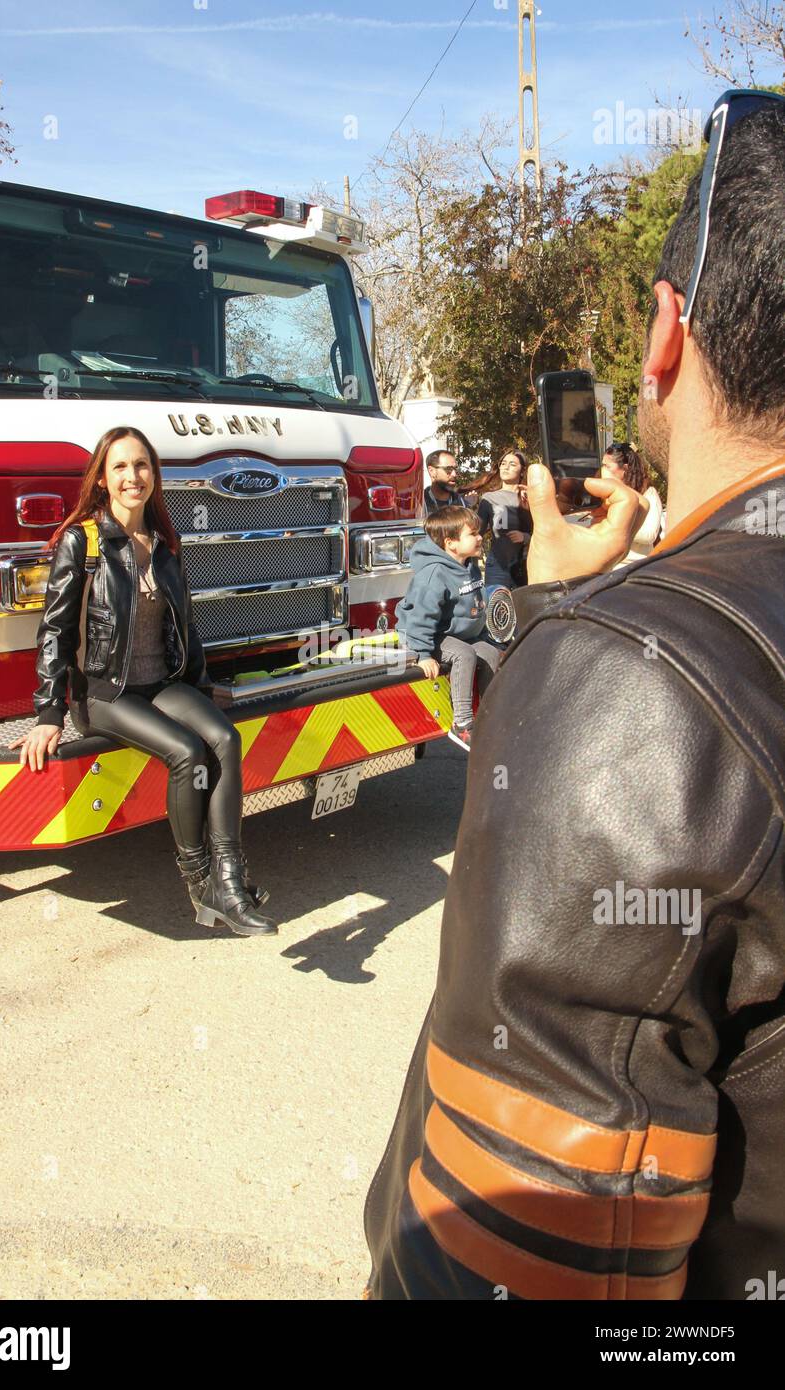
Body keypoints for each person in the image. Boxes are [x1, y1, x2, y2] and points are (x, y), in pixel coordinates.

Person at [364, 91, 785, 1299]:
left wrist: (577, 650)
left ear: (666, 335)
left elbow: (519, 1252)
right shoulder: (627, 661)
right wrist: (561, 619)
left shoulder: (629, 685)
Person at [9, 425, 276, 938]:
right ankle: (201, 881)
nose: (133, 476)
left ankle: (230, 878)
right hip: (106, 692)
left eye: (141, 465)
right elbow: (56, 630)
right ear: (103, 480)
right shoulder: (83, 540)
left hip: (161, 683)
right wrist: (49, 713)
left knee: (224, 737)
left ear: (153, 473)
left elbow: (186, 625)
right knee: (185, 752)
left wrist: (199, 685)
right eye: (121, 467)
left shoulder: (163, 541)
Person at [395, 506, 500, 752]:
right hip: (426, 635)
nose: (479, 537)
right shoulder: (434, 574)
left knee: (490, 652)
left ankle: (487, 718)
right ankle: (462, 723)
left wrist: (484, 636)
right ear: (451, 543)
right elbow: (421, 617)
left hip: (457, 633)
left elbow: (475, 606)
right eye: (472, 533)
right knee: (465, 654)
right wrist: (421, 655)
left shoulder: (470, 565)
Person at [467, 450, 533, 588]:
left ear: (522, 470)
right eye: (503, 463)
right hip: (497, 567)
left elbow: (546, 532)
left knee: (523, 608)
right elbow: (476, 532)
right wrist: (470, 507)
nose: (506, 467)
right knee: (497, 607)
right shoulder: (489, 498)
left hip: (527, 566)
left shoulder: (531, 497)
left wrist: (525, 537)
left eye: (512, 464)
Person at [601, 441, 664, 566]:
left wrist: (617, 524)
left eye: (607, 467)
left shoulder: (648, 494)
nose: (603, 471)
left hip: (634, 567)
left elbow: (649, 535)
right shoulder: (606, 493)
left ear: (624, 469)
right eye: (602, 466)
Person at [423, 450, 470, 516]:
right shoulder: (419, 505)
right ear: (431, 471)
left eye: (455, 469)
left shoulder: (463, 505)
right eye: (448, 469)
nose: (454, 474)